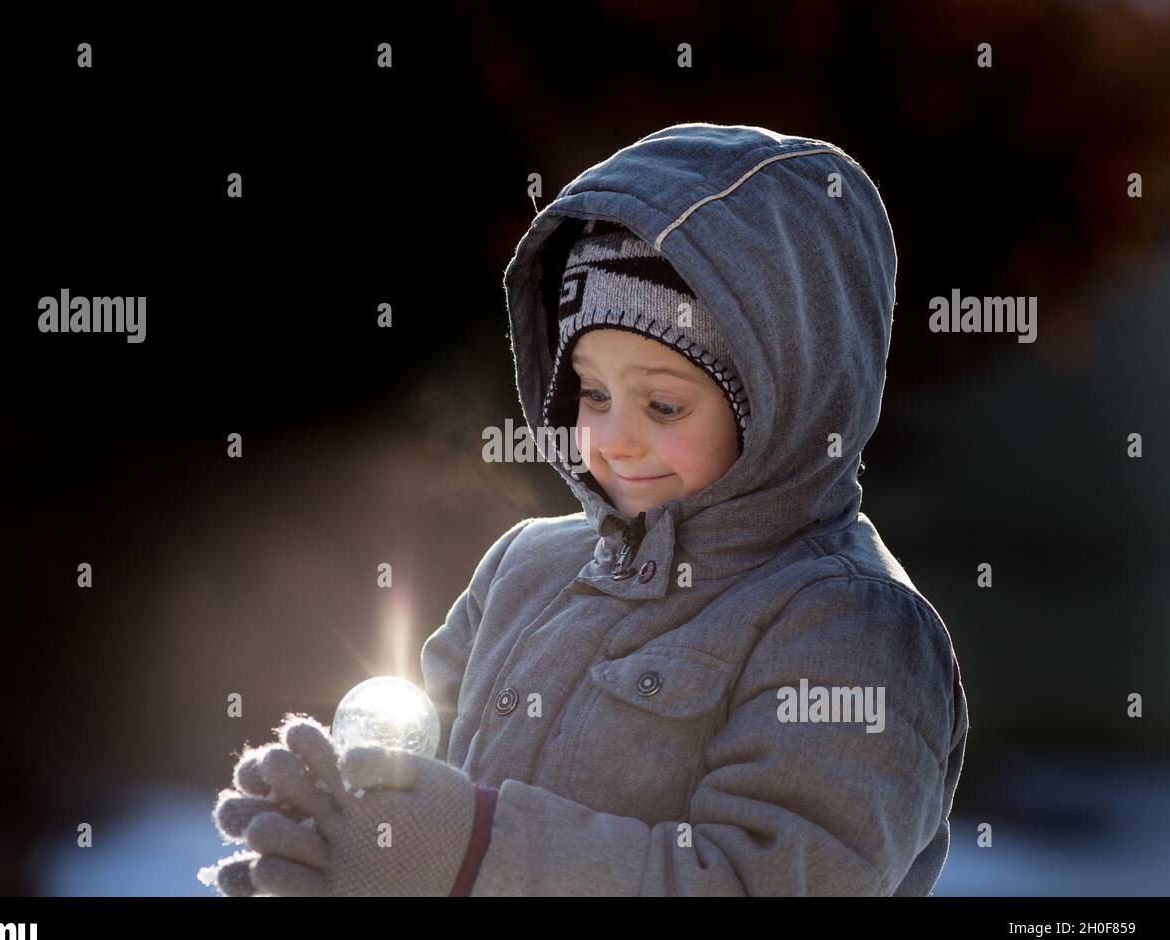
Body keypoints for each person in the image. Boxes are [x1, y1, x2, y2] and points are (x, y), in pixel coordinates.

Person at [200, 122, 970, 896]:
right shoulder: (526, 567)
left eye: (663, 403)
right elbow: (417, 793)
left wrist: (468, 851)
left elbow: (756, 882)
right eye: (591, 393)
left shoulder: (852, 634)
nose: (612, 439)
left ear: (792, 401)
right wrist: (349, 845)